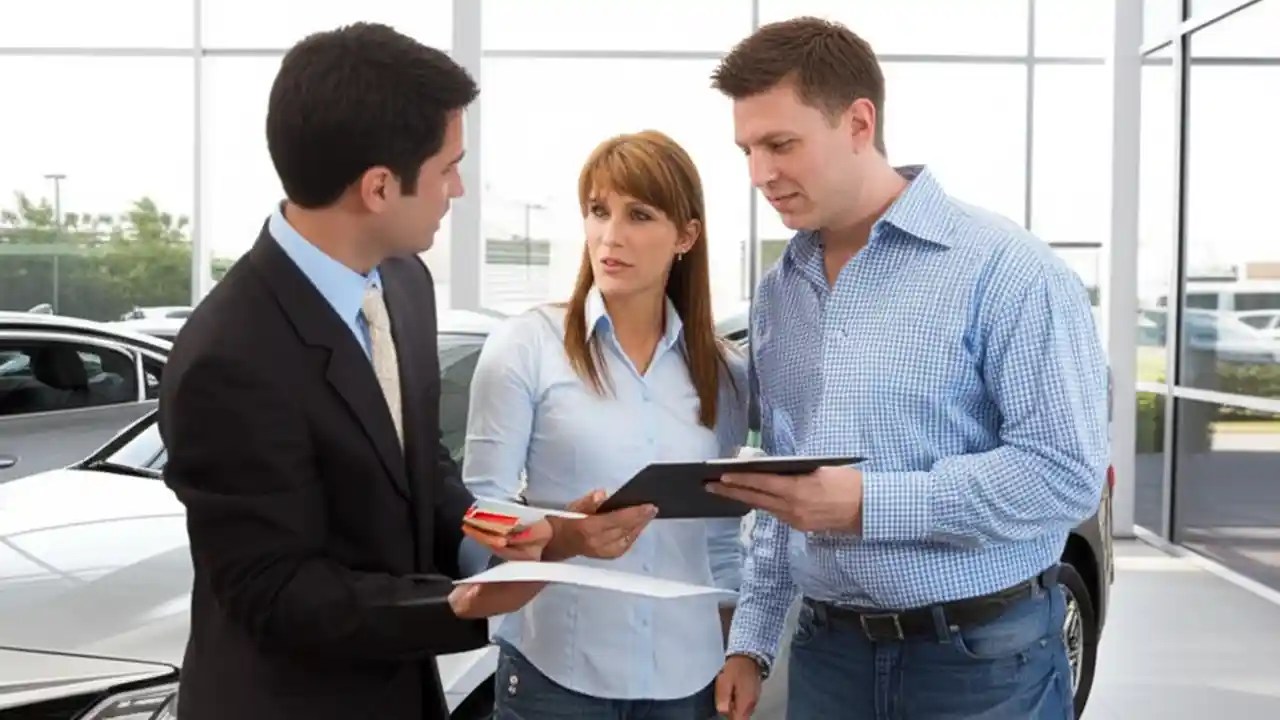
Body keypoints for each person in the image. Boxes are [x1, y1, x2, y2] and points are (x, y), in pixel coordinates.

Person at [703, 17, 1111, 720]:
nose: (759, 174)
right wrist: (752, 639)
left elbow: (1064, 474)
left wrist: (865, 504)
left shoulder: (1007, 270)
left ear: (859, 122)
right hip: (827, 653)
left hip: (984, 662)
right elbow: (787, 479)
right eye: (747, 149)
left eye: (781, 144)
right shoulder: (780, 290)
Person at [158, 23, 551, 720]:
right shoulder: (229, 354)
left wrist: (502, 536)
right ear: (377, 187)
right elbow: (273, 589)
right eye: (447, 168)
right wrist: (457, 605)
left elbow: (415, 469)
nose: (457, 188)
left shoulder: (404, 284)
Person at [461, 129, 750, 719]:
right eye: (598, 211)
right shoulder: (526, 346)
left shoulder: (723, 372)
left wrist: (734, 645)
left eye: (638, 215)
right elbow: (478, 510)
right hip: (557, 670)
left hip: (686, 675)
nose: (610, 236)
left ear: (686, 236)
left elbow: (721, 533)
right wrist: (561, 535)